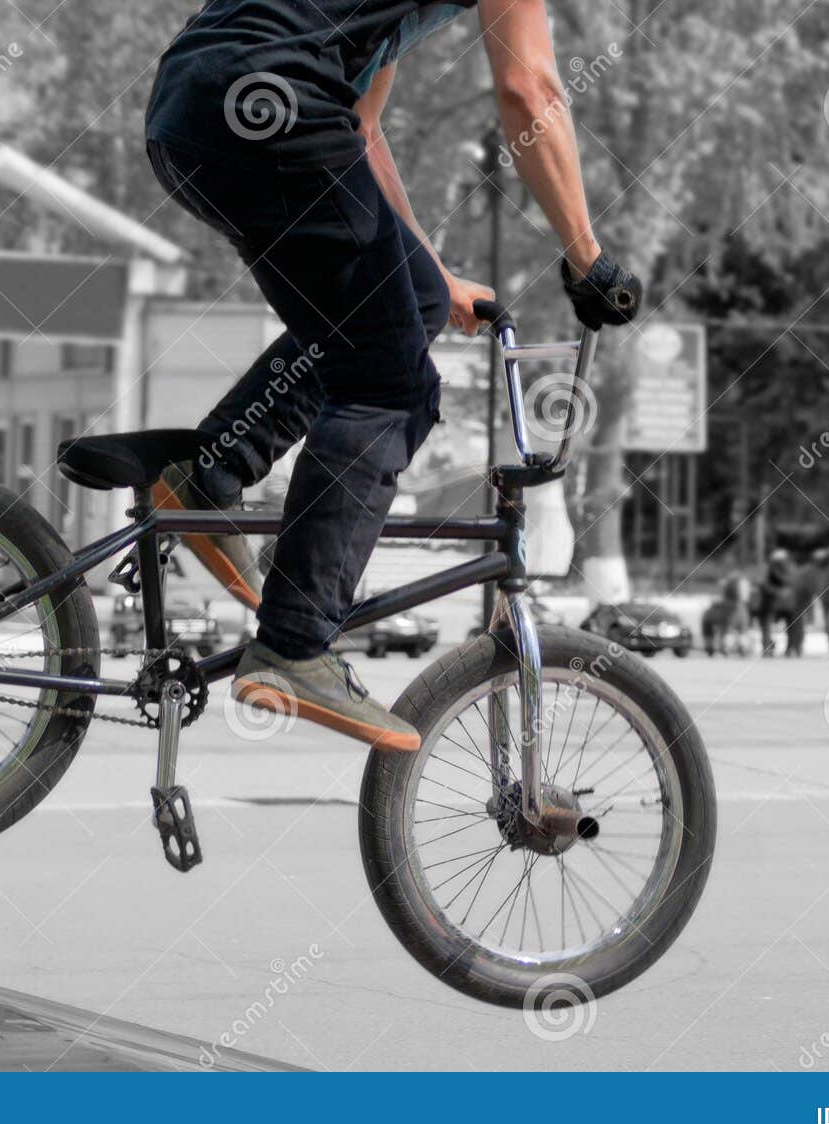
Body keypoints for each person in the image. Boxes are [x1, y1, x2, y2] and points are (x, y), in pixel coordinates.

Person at [141, 0, 642, 752]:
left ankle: (210, 473)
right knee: (392, 387)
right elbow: (529, 93)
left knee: (400, 302)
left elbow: (361, 131)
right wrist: (587, 260)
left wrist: (430, 273)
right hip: (273, 105)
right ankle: (295, 645)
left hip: (188, 114)